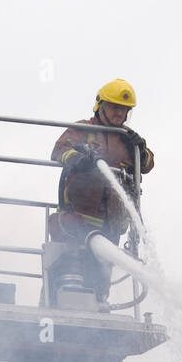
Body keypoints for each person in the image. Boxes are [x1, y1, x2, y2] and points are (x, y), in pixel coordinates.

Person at [48, 79, 155, 303]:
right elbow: (58, 151)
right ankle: (59, 305)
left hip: (111, 224)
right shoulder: (83, 130)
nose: (119, 113)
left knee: (100, 284)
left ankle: (98, 309)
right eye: (115, 107)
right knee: (70, 274)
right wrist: (77, 159)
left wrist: (140, 149)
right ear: (101, 106)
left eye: (124, 109)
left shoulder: (128, 140)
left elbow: (146, 165)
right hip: (76, 220)